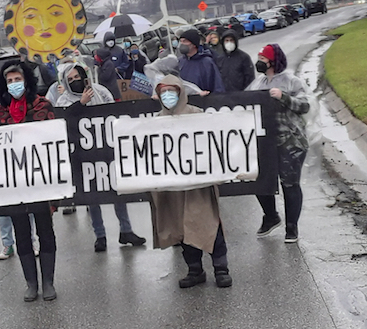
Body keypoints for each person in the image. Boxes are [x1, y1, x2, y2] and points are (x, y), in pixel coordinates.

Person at [49, 60, 147, 251]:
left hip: (107, 150)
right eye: (71, 79)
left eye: (77, 77)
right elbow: (63, 121)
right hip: (82, 155)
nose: (75, 81)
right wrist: (81, 104)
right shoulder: (63, 100)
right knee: (92, 196)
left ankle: (126, 230)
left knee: (118, 191)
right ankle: (100, 235)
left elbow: (114, 114)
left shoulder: (101, 92)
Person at [0, 60, 58, 301]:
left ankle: (48, 282)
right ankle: (31, 284)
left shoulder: (43, 106)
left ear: (27, 80)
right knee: (21, 232)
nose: (14, 84)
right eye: (10, 81)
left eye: (18, 79)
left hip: (40, 181)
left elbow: (55, 140)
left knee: (45, 231)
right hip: (12, 185)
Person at [150, 75, 232, 288]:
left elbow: (214, 144)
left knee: (208, 225)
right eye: (163, 92)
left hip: (199, 187)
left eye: (172, 91)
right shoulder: (155, 120)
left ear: (180, 92)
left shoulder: (197, 115)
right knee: (182, 229)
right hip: (174, 189)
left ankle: (221, 269)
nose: (167, 96)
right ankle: (194, 270)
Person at [248, 43, 310, 243]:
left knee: (289, 184)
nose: (260, 62)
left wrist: (283, 97)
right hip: (265, 143)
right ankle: (271, 216)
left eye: (263, 59)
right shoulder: (257, 84)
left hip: (291, 141)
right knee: (260, 182)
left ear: (273, 61)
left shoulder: (292, 82)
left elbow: (304, 105)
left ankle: (292, 227)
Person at [177, 29, 225, 94]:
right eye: (181, 41)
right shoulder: (180, 61)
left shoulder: (206, 62)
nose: (182, 44)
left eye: (185, 41)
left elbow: (217, 85)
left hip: (203, 101)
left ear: (194, 44)